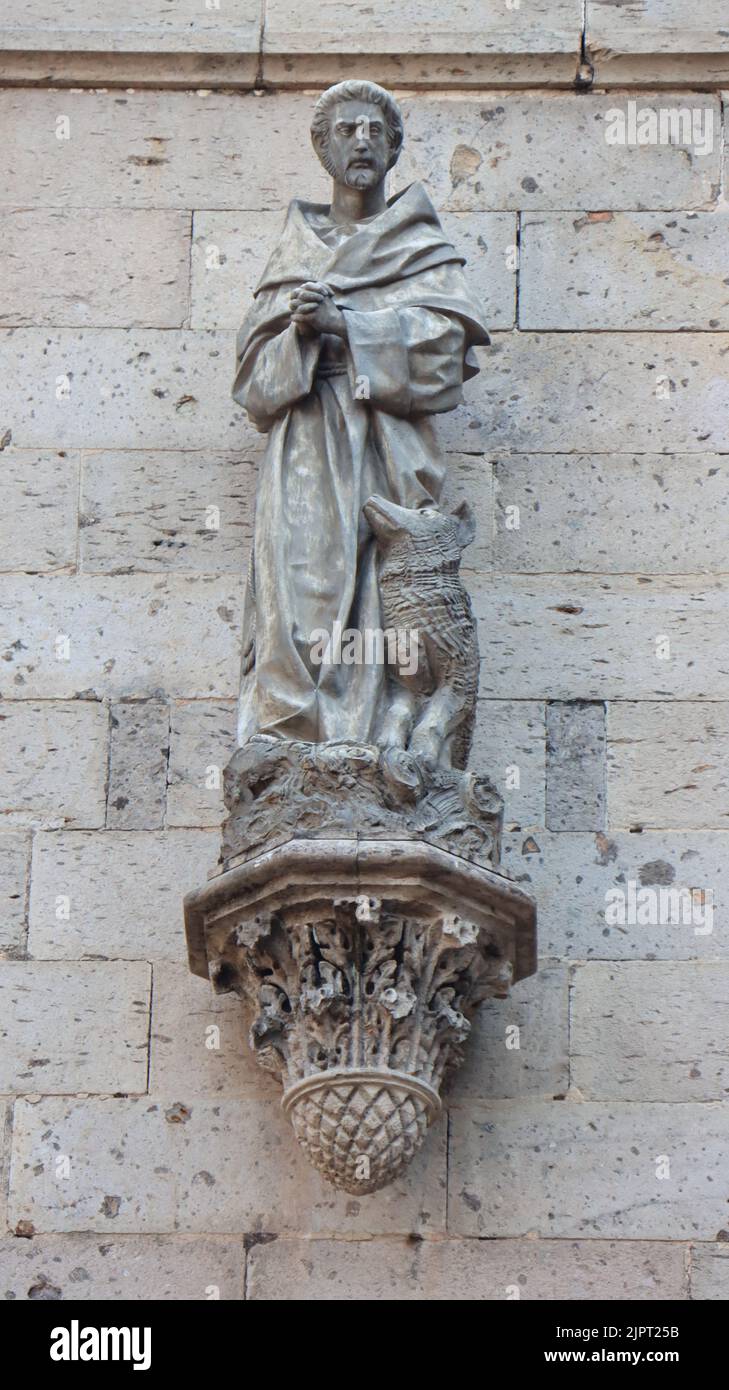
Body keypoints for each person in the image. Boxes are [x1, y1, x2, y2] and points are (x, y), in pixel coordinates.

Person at [233, 79, 489, 746]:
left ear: (396, 146)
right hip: (305, 444)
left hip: (386, 447)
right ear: (322, 147)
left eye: (375, 131)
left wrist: (346, 325)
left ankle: (377, 749)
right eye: (345, 130)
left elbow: (445, 359)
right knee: (296, 594)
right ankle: (294, 748)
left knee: (387, 604)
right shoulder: (294, 250)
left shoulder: (418, 244)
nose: (361, 141)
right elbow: (255, 390)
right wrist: (300, 335)